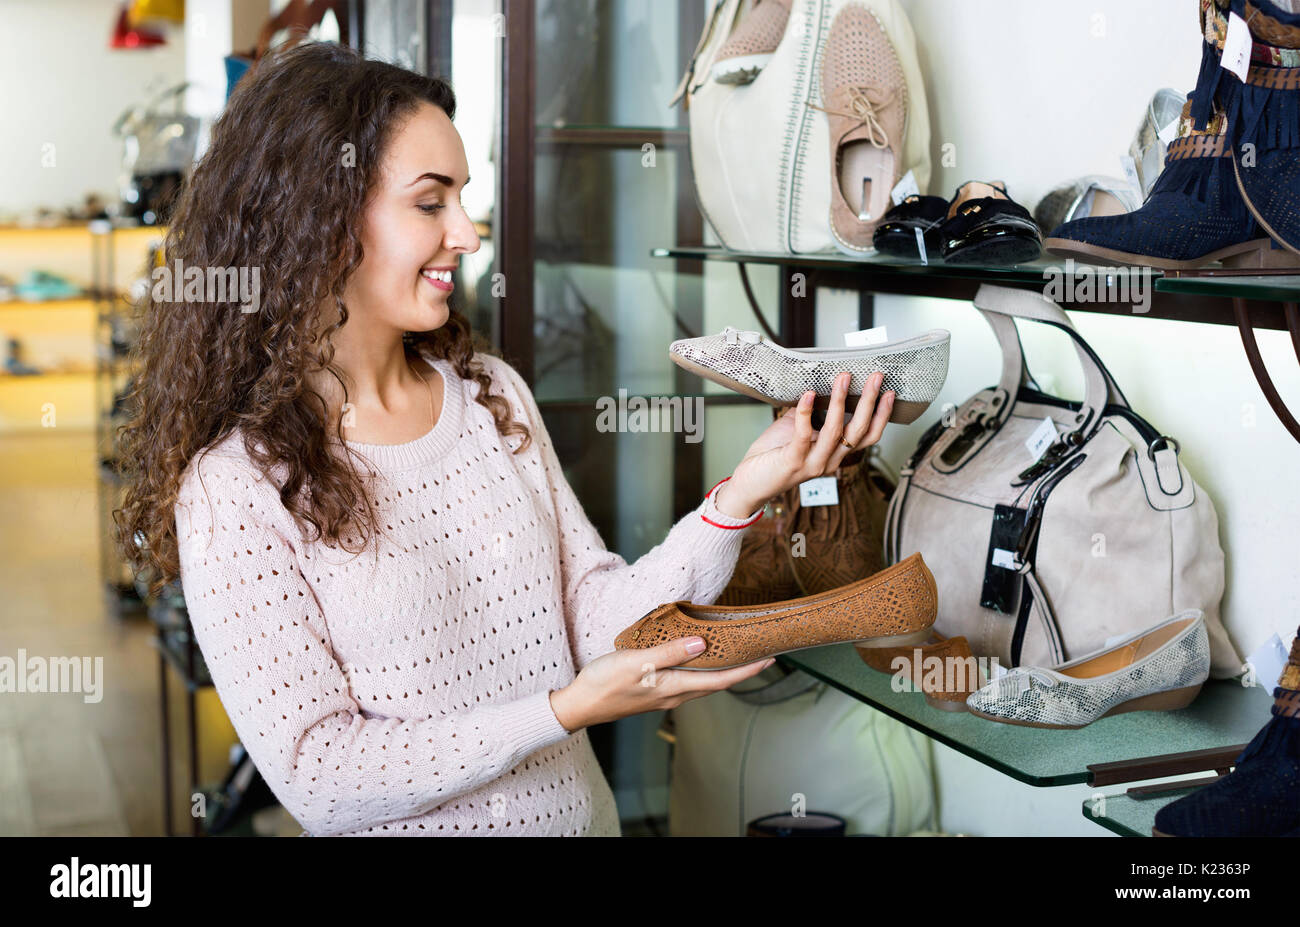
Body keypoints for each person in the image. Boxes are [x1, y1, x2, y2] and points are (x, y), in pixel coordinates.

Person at [116, 41, 895, 837]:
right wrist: (559, 713)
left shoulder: (491, 398)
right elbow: (321, 773)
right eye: (430, 202)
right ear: (315, 219)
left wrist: (740, 495)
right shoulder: (234, 486)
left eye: (463, 196)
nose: (467, 231)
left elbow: (597, 618)